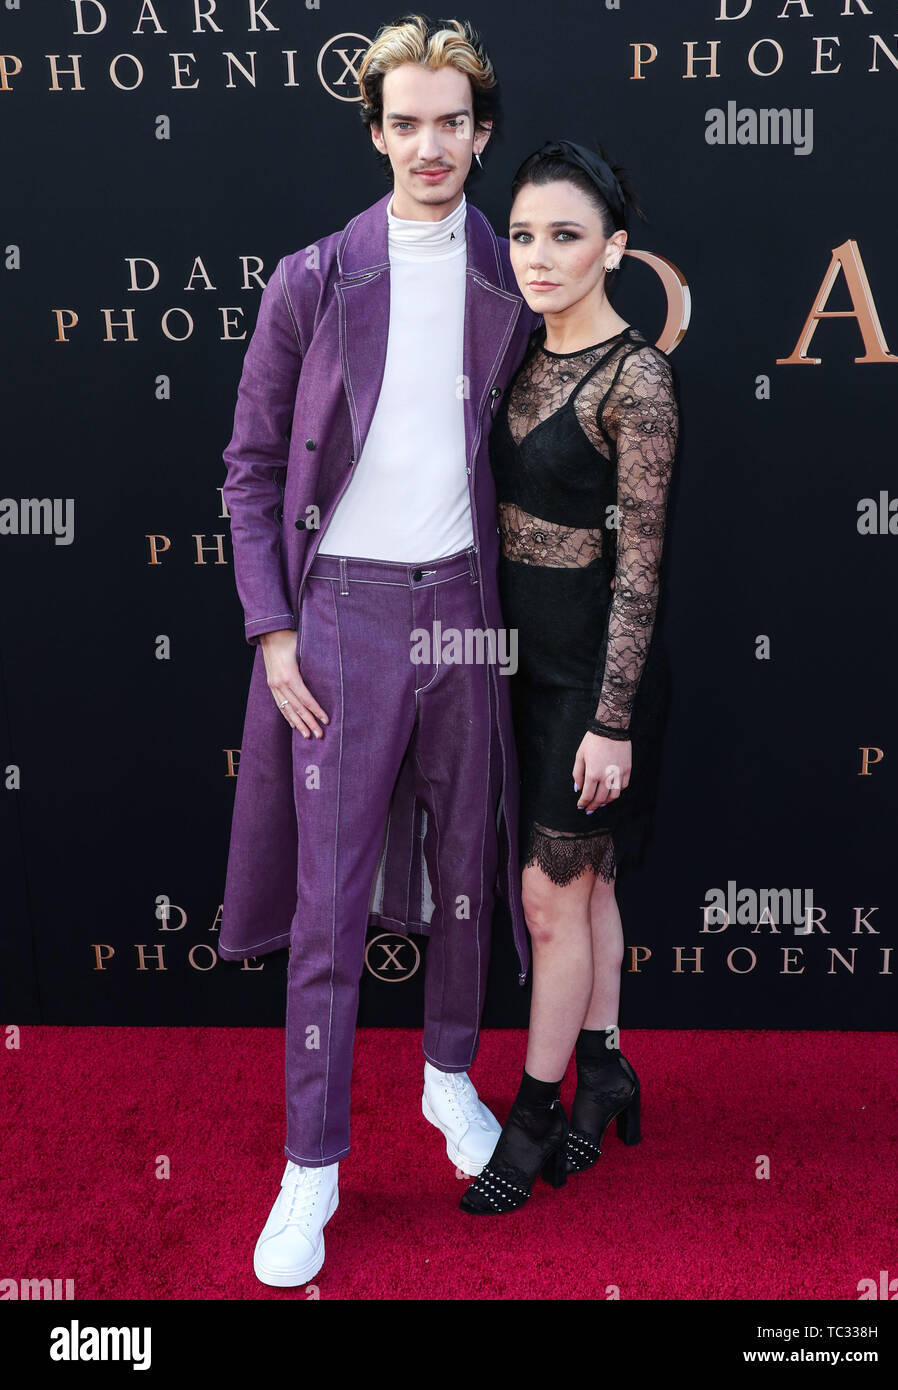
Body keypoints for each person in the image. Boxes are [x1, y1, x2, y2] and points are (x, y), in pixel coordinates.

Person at [216, 15, 539, 1282]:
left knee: (467, 861)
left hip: (466, 596)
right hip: (341, 610)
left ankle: (451, 1078)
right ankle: (311, 1169)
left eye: (451, 121)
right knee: (329, 902)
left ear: (481, 131)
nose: (429, 143)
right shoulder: (310, 279)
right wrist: (274, 628)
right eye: (405, 121)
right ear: (374, 132)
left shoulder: (512, 278)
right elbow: (248, 472)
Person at [460, 140, 680, 1214]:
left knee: (550, 900)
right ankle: (605, 1067)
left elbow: (641, 568)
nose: (537, 256)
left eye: (565, 236)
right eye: (522, 234)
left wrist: (611, 718)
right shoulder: (515, 347)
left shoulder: (636, 378)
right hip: (510, 659)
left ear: (614, 250)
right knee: (584, 889)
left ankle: (535, 1111)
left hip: (592, 676)